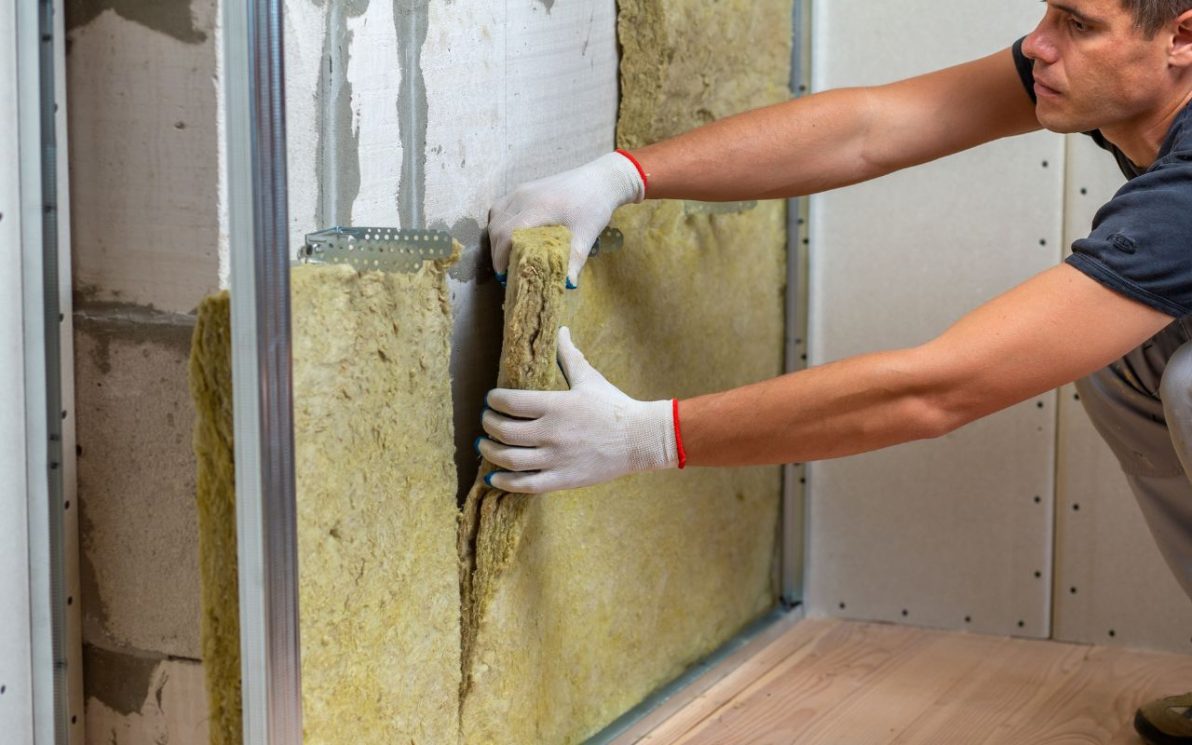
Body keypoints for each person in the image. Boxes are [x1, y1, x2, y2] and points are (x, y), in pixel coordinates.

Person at [479, 1, 1192, 742]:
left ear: (1182, 36)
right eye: (1049, 12)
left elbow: (940, 388)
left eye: (1078, 25)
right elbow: (873, 129)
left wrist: (651, 436)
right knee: (1122, 358)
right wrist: (622, 175)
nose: (1039, 44)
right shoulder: (1111, 79)